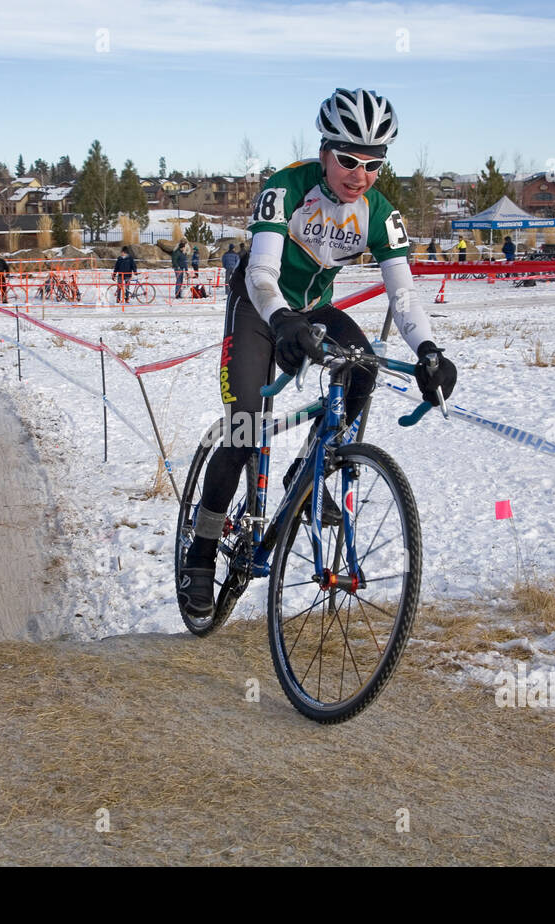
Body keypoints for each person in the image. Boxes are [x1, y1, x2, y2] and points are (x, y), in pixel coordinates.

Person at [178, 87, 458, 617]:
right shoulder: (284, 190)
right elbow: (260, 273)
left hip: (312, 308)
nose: (360, 174)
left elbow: (402, 294)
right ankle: (202, 550)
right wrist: (282, 321)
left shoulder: (380, 213)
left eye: (374, 164)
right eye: (349, 160)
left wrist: (428, 352)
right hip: (259, 308)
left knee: (362, 369)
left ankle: (308, 469)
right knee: (244, 430)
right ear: (325, 152)